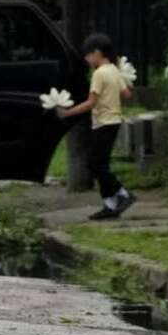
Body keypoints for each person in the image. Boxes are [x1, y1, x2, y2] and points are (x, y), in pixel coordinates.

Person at [58, 33, 136, 220]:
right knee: (99, 164)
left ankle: (123, 195)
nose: (86, 59)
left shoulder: (99, 73)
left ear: (98, 53)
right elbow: (127, 95)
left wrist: (67, 112)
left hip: (103, 123)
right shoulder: (114, 70)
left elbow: (90, 102)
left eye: (88, 54)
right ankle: (110, 204)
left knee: (95, 164)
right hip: (113, 121)